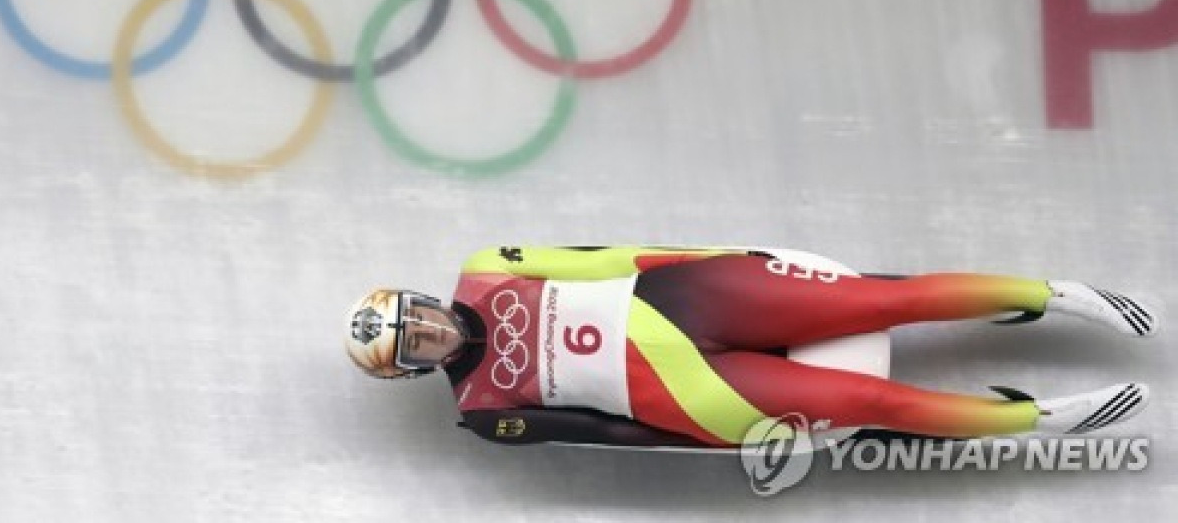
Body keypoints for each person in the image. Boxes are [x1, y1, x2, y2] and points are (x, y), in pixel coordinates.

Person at [344, 246, 1159, 448]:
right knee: (870, 407)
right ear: (415, 369)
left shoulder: (489, 268)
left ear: (423, 300)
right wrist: (698, 444)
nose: (430, 333)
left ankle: (1053, 298)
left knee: (888, 298)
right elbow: (599, 434)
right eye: (416, 347)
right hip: (685, 396)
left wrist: (723, 257)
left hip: (687, 296)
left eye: (418, 317)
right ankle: (1035, 420)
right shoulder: (482, 410)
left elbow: (613, 255)